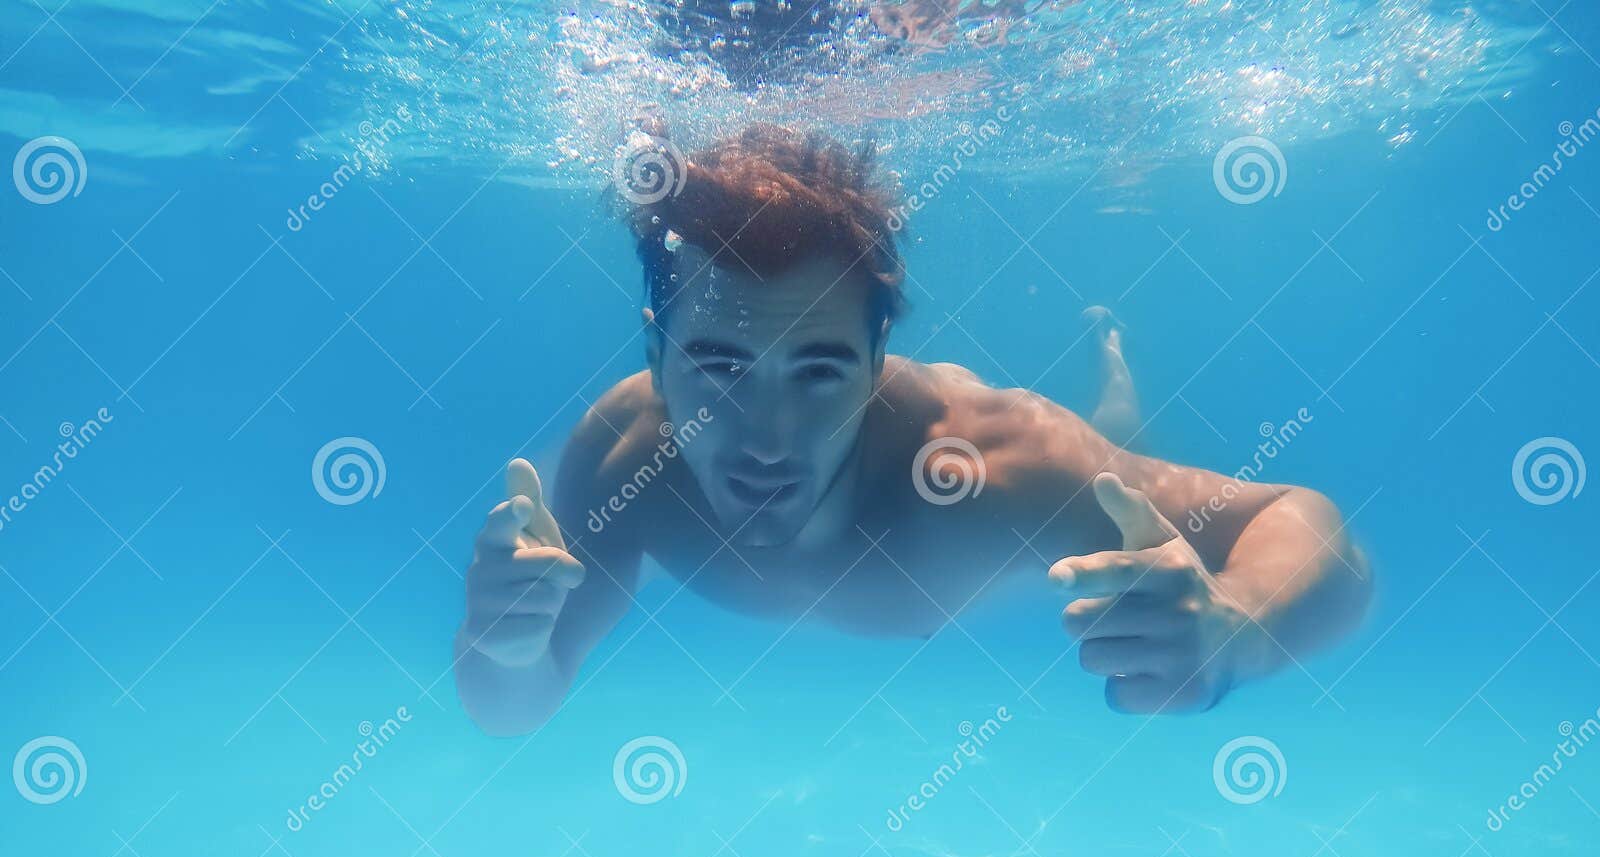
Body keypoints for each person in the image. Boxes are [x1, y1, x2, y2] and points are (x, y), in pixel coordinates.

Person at [454, 125, 1371, 736]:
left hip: (996, 470)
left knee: (1111, 449)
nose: (765, 436)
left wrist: (1237, 630)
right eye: (720, 367)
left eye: (819, 371)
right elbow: (515, 704)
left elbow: (1309, 527)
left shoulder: (1000, 466)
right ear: (657, 360)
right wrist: (500, 643)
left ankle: (1113, 361)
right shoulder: (625, 459)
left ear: (877, 359)